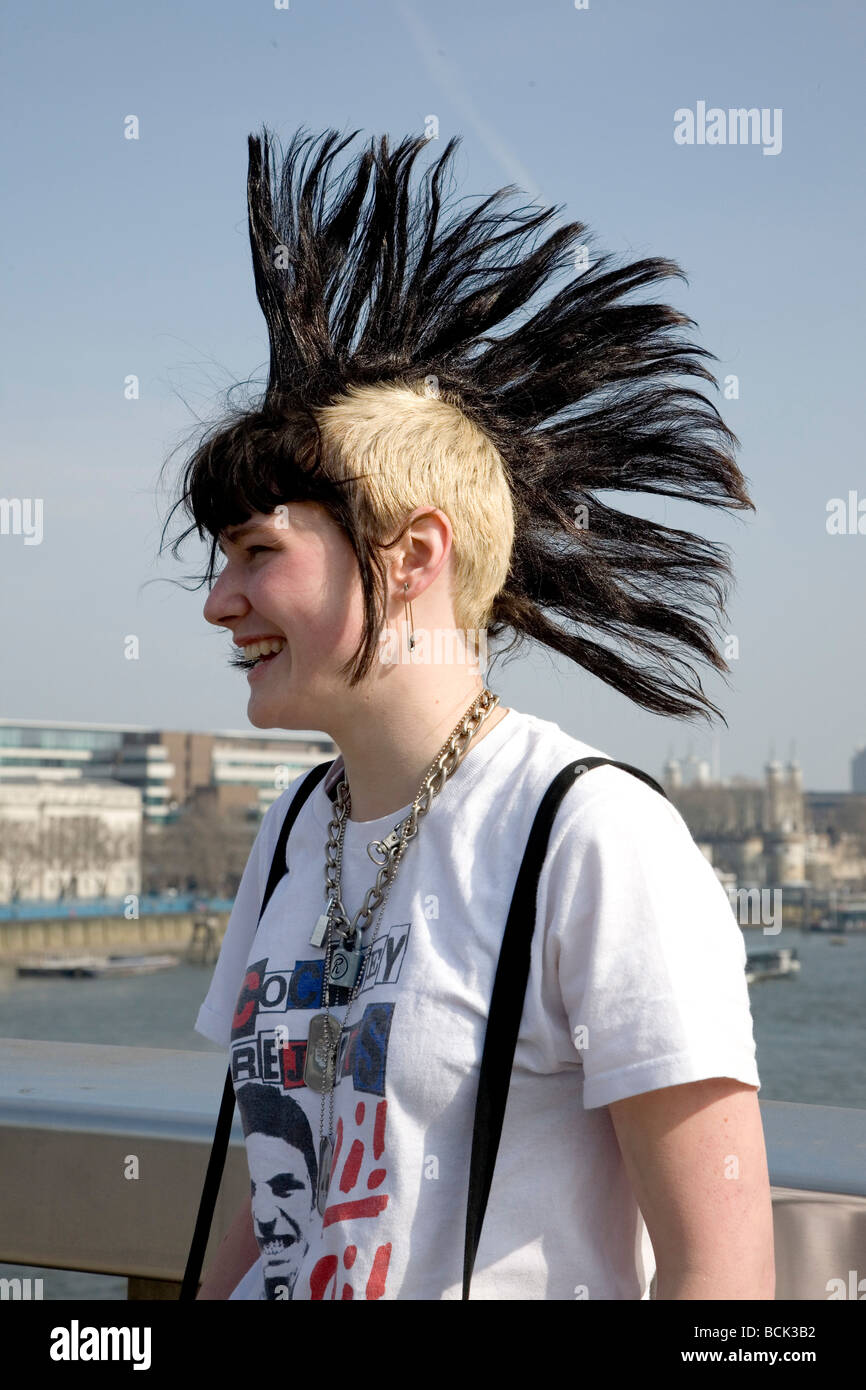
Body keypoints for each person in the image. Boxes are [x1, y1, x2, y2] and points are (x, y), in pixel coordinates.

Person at [162, 125, 774, 1299]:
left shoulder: (589, 838)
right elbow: (274, 1201)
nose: (217, 602)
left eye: (255, 552)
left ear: (409, 557)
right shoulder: (294, 830)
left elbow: (724, 1275)